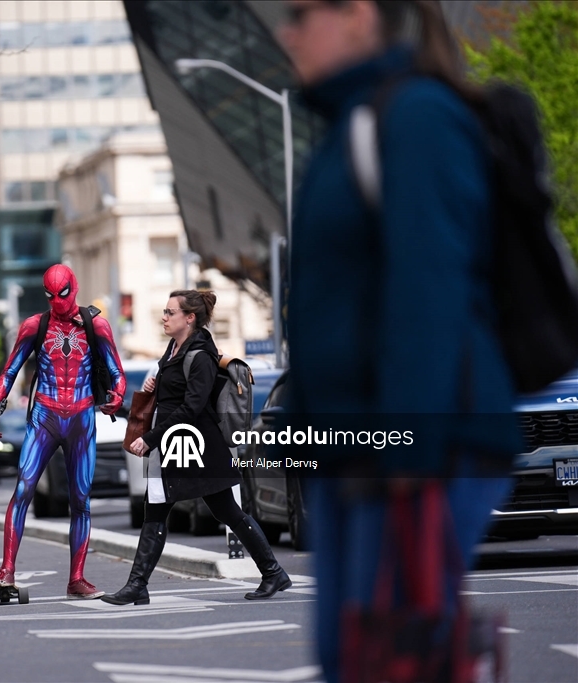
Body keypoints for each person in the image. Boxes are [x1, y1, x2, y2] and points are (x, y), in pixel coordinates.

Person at [276, 2, 520, 680]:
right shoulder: (350, 125)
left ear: (358, 15)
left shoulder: (414, 116)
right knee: (355, 655)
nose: (287, 32)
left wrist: (410, 449)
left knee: (390, 656)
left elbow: (429, 287)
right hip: (354, 449)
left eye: (300, 13)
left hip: (414, 448)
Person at [102, 290, 290, 605]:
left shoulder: (200, 355)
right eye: (164, 311)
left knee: (225, 510)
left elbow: (192, 407)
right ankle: (137, 585)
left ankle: (273, 572)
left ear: (189, 318)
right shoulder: (174, 350)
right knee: (157, 510)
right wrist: (153, 387)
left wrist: (150, 438)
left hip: (198, 447)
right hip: (177, 446)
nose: (164, 317)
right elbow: (174, 397)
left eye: (170, 312)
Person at [0, 264, 125, 599]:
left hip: (81, 417)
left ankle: (77, 578)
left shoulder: (96, 325)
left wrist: (117, 396)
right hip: (44, 416)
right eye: (50, 295)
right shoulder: (35, 325)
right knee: (23, 489)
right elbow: (10, 369)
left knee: (81, 499)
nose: (57, 302)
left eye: (62, 294)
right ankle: (6, 570)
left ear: (74, 288)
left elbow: (117, 372)